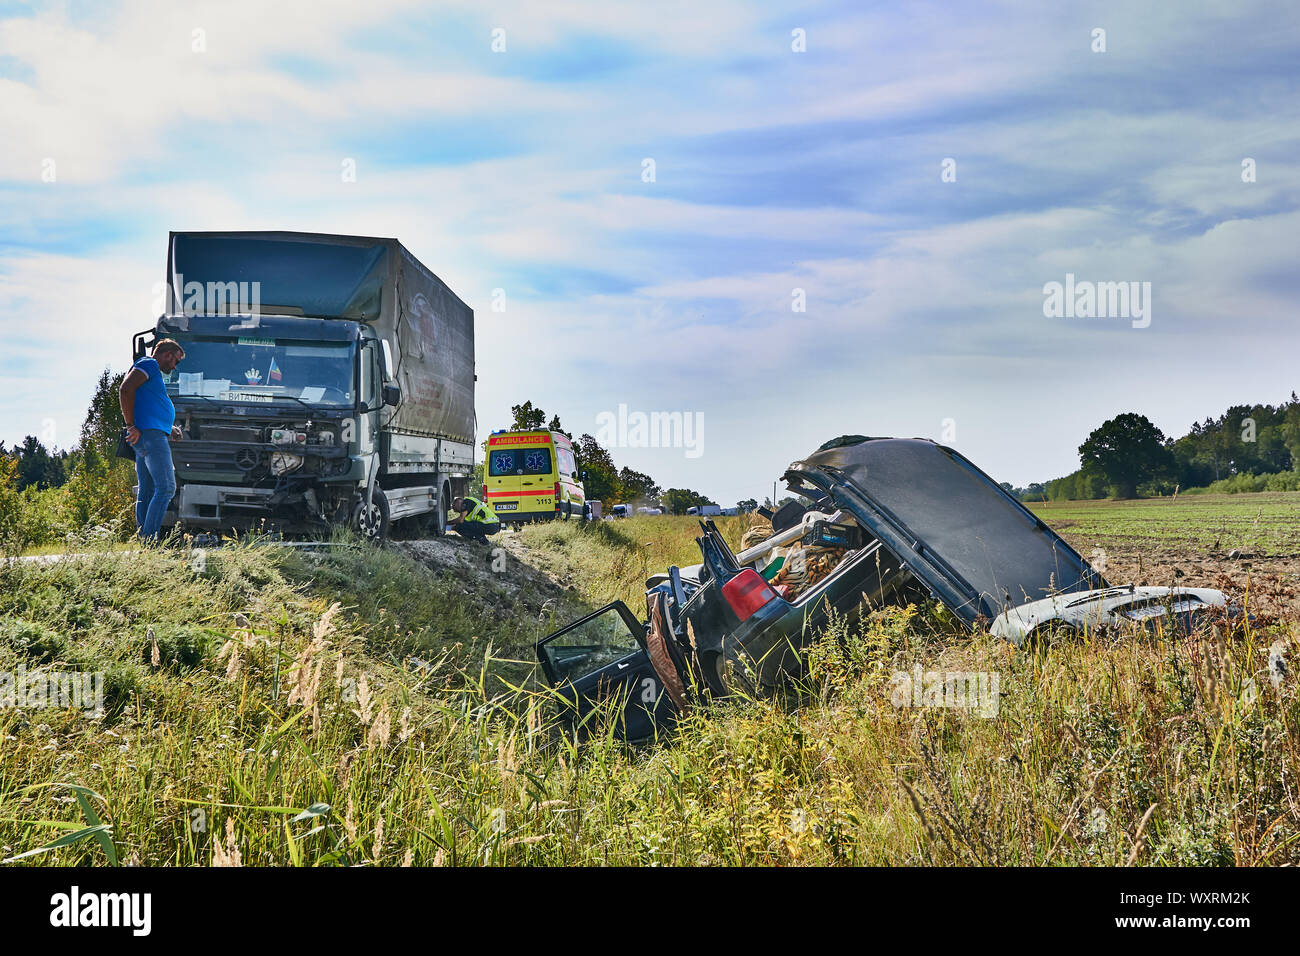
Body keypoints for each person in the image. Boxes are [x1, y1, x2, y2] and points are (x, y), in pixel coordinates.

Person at [119, 339, 186, 543]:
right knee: (166, 488)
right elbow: (125, 389)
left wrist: (170, 427)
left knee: (147, 490)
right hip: (151, 437)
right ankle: (149, 540)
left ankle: (144, 541)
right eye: (176, 361)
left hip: (151, 434)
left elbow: (149, 405)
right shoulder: (149, 364)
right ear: (167, 354)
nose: (174, 366)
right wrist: (130, 425)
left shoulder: (150, 371)